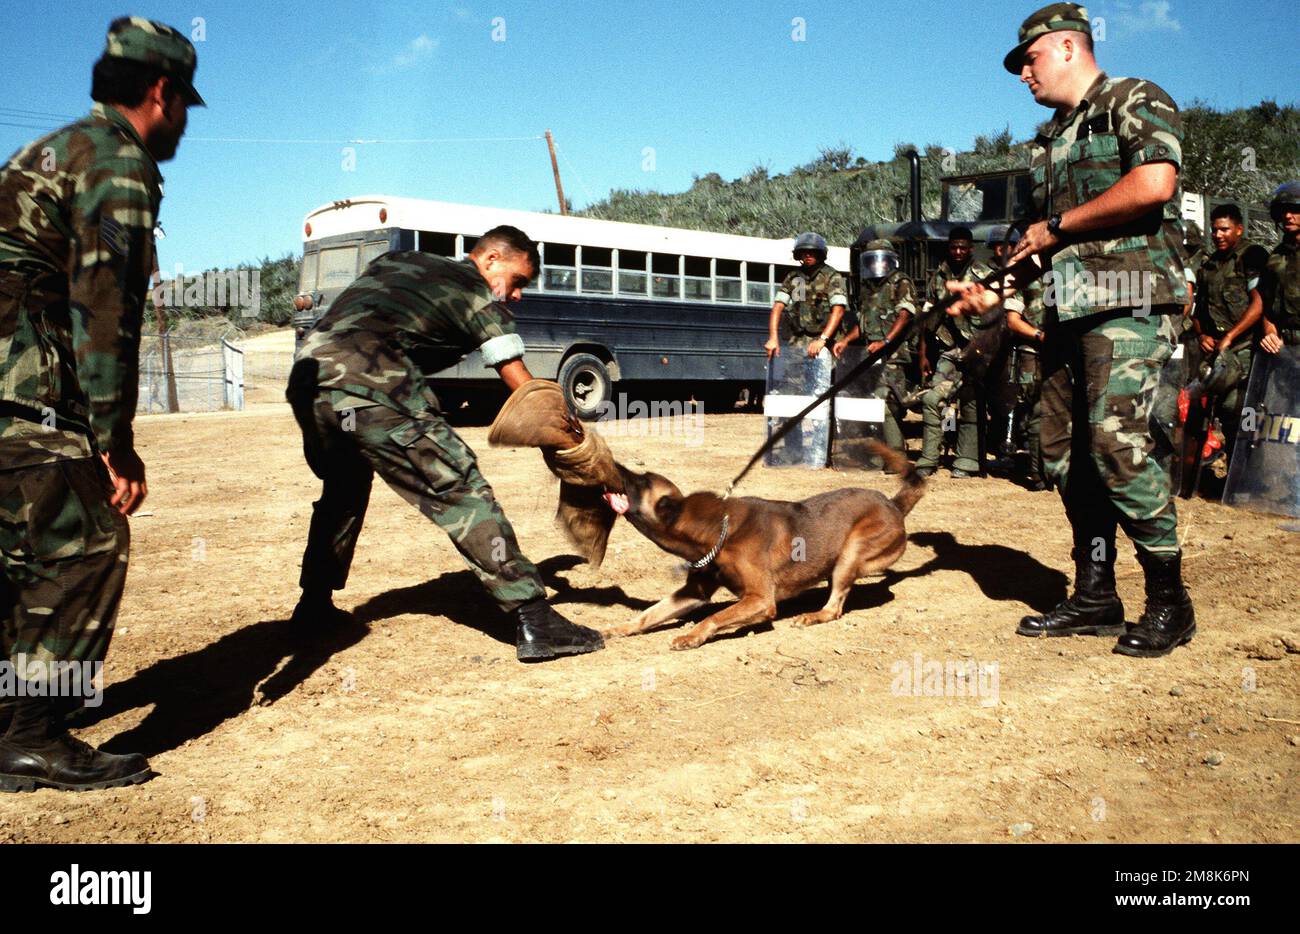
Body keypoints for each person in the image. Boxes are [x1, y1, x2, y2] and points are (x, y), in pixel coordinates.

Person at [951, 2, 1195, 657]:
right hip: (1064, 308)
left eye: (1027, 61)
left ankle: (1170, 602)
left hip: (1132, 302)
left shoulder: (1134, 99)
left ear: (1065, 47)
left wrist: (1056, 227)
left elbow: (1153, 184)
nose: (1023, 75)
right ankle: (1095, 597)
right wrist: (992, 288)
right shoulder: (1050, 141)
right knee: (1059, 451)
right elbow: (1031, 243)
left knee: (1117, 449)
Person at [0, 17, 202, 791]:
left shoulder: (50, 148)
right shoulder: (117, 162)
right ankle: (34, 734)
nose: (182, 120)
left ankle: (11, 715)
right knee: (85, 545)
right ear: (161, 93)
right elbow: (105, 314)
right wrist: (113, 443)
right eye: (184, 103)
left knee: (19, 552)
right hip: (21, 386)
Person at [286, 226, 604, 662]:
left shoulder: (403, 262)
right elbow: (526, 395)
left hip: (308, 379)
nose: (517, 296)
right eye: (518, 282)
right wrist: (579, 451)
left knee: (344, 489)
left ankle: (313, 606)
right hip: (368, 382)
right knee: (458, 486)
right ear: (490, 259)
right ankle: (534, 617)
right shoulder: (476, 292)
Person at [1190, 203, 1269, 463]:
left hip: (1245, 346)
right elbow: (1198, 310)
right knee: (1216, 408)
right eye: (1214, 230)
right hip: (1218, 352)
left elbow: (1259, 304)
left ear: (1239, 230)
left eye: (1224, 229)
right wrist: (1202, 335)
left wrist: (1230, 336)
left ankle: (1246, 470)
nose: (1218, 235)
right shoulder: (1210, 265)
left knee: (1238, 408)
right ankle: (1231, 470)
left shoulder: (1252, 255)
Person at [915, 227, 995, 478]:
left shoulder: (984, 274)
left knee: (971, 405)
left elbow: (996, 316)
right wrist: (923, 354)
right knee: (931, 400)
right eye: (954, 247)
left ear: (971, 248)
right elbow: (928, 318)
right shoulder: (939, 276)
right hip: (949, 350)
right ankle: (929, 458)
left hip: (978, 350)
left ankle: (967, 460)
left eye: (963, 247)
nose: (958, 252)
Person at [763, 232, 847, 466]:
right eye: (804, 252)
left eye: (813, 252)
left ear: (820, 254)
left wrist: (822, 339)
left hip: (824, 344)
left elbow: (838, 311)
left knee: (824, 398)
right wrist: (773, 338)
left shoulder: (832, 277)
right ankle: (793, 449)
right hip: (797, 344)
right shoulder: (794, 278)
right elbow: (778, 307)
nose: (808, 256)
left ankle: (824, 451)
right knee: (791, 397)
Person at [832, 239, 916, 464]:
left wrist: (886, 341)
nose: (876, 264)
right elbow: (863, 323)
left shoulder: (901, 282)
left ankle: (896, 454)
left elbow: (904, 316)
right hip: (870, 356)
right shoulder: (868, 287)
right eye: (871, 260)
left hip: (893, 355)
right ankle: (880, 454)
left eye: (881, 259)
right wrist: (846, 340)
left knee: (888, 403)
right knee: (872, 402)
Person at [994, 227, 1051, 489]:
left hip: (1062, 351)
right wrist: (1039, 335)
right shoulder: (1021, 275)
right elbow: (1014, 321)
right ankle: (1039, 475)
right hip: (1032, 352)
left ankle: (1055, 472)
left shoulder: (1062, 268)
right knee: (1037, 411)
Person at [1259, 181, 1300, 354]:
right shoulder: (1275, 258)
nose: (1288, 216)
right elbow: (1267, 307)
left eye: (1295, 210)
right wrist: (1269, 332)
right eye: (1283, 211)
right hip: (1285, 350)